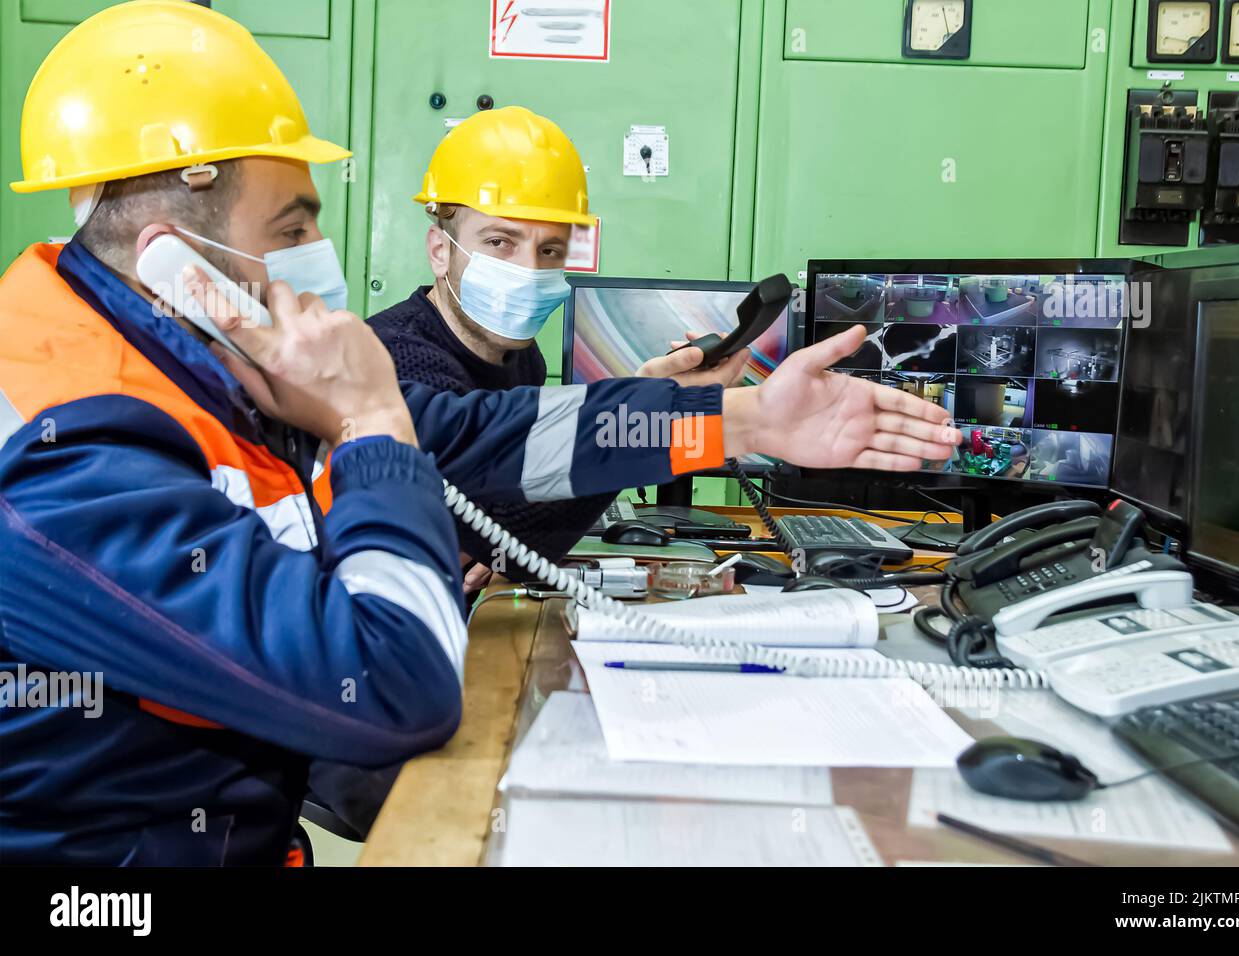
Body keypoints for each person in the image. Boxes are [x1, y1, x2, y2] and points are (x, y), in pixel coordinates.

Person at [0, 0, 959, 865]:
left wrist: (742, 416)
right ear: (181, 268)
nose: (314, 262)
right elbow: (389, 686)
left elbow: (487, 437)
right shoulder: (65, 457)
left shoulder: (172, 364)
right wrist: (374, 421)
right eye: (292, 229)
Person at [369, 105, 748, 597]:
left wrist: (645, 405)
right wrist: (641, 410)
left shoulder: (522, 358)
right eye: (501, 241)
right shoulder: (396, 361)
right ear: (440, 250)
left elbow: (514, 528)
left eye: (549, 250)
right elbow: (513, 538)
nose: (528, 268)